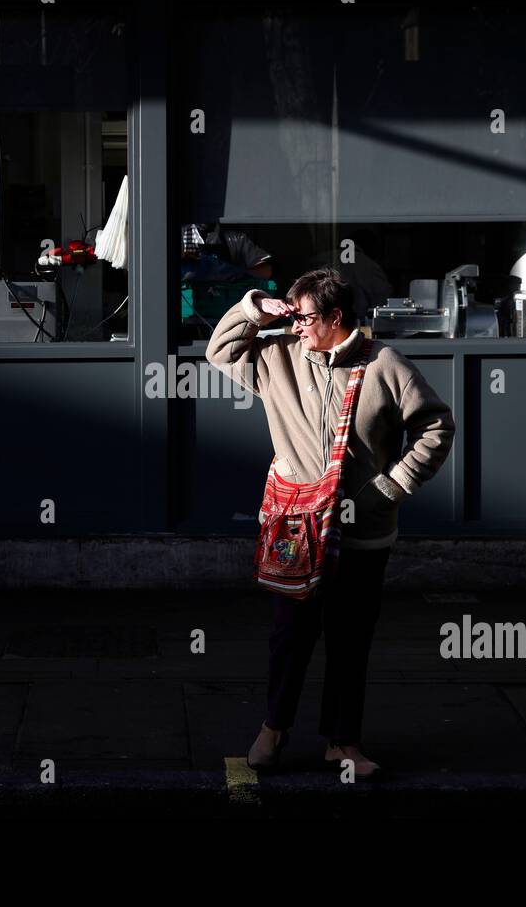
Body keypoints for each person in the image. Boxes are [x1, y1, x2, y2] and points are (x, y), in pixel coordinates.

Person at [205, 267, 454, 779]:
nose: (296, 325)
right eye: (292, 316)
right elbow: (220, 352)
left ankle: (342, 744)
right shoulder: (276, 358)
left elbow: (436, 425)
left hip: (362, 532)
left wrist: (394, 485)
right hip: (297, 527)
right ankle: (273, 730)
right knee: (289, 635)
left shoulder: (385, 364)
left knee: (349, 638)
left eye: (306, 317)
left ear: (336, 317)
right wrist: (257, 309)